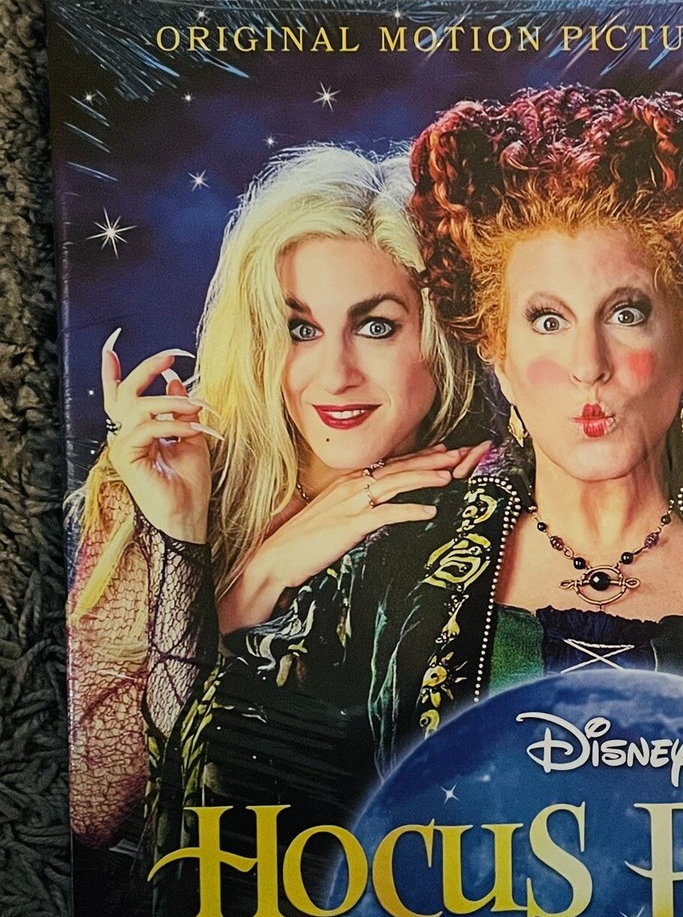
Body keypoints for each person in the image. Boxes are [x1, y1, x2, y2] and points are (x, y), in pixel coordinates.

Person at [362, 85, 683, 762]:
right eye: (548, 320)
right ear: (498, 352)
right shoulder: (400, 568)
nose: (588, 365)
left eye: (625, 314)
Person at [67, 144, 484, 850]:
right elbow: (90, 808)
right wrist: (229, 574)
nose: (335, 373)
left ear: (440, 335)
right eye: (301, 329)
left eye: (376, 326)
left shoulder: (489, 494)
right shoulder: (159, 478)